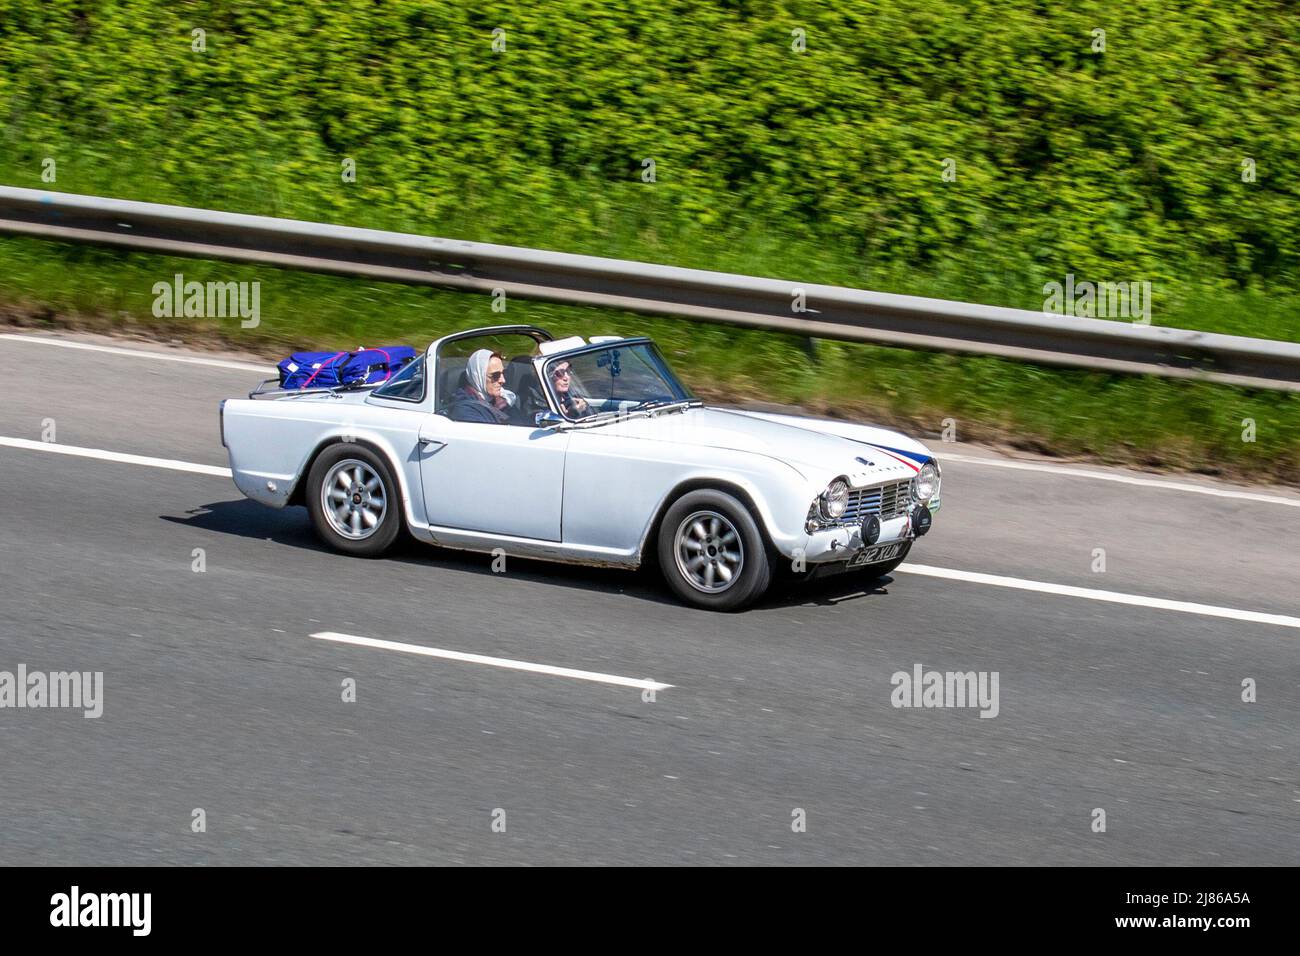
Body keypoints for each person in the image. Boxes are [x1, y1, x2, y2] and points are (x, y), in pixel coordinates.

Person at [448, 349, 517, 424]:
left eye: (504, 373)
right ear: (477, 376)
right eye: (495, 375)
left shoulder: (502, 399)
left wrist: (505, 408)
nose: (503, 380)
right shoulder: (465, 410)